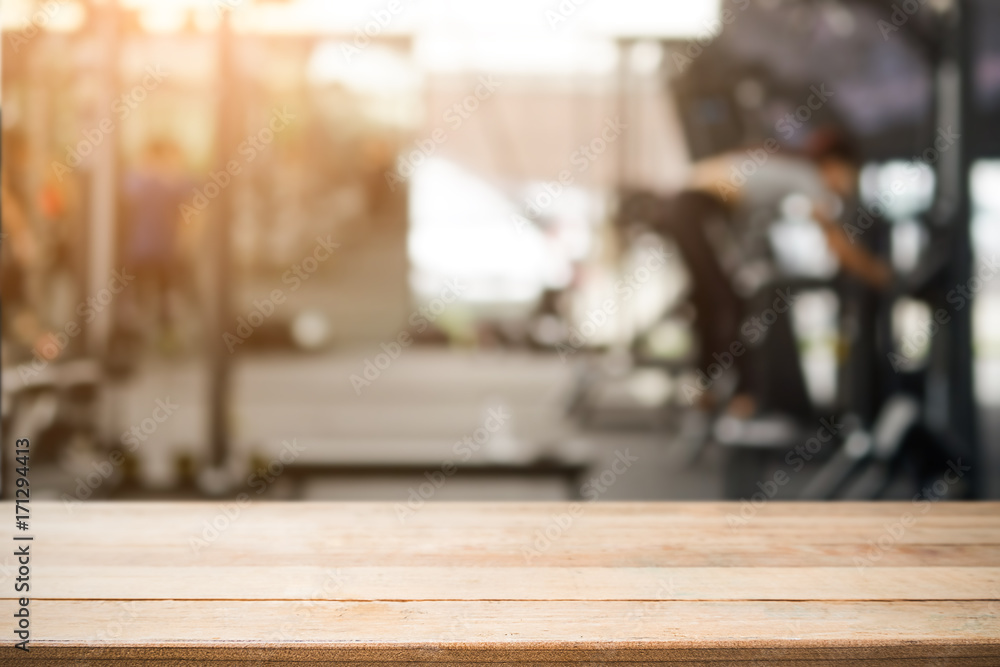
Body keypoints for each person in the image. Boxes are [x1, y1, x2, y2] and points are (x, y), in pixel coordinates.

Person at [659, 131, 890, 417]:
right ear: (833, 163)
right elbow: (835, 241)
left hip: (688, 205)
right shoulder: (809, 175)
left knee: (714, 298)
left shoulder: (785, 171)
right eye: (848, 175)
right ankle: (735, 396)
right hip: (694, 206)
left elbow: (744, 224)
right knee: (724, 300)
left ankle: (714, 389)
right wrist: (879, 275)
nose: (847, 186)